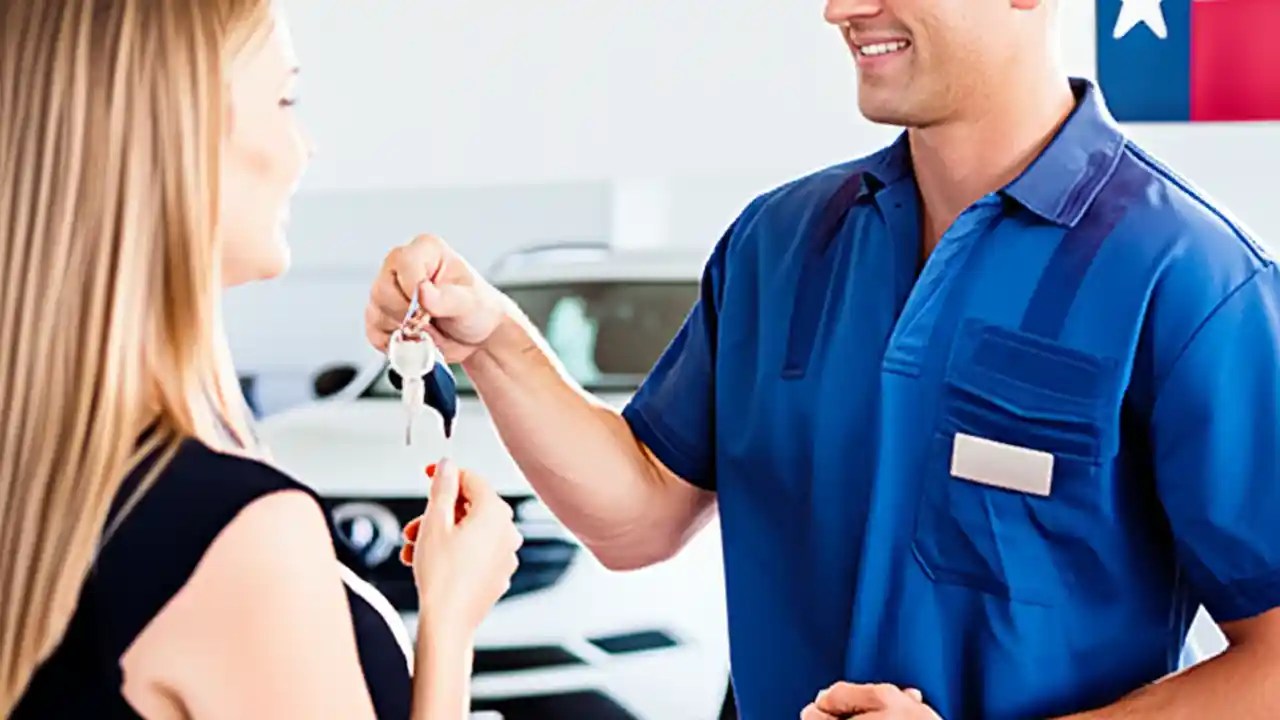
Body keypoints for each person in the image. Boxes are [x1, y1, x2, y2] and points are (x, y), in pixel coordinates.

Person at [367, 0, 1280, 718]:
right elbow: (638, 517)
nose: (840, 7)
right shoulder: (779, 243)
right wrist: (493, 337)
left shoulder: (1191, 279)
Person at [0, 1, 521, 718]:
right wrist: (451, 627)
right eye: (284, 98)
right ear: (175, 133)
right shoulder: (237, 535)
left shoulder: (39, 493)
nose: (304, 148)